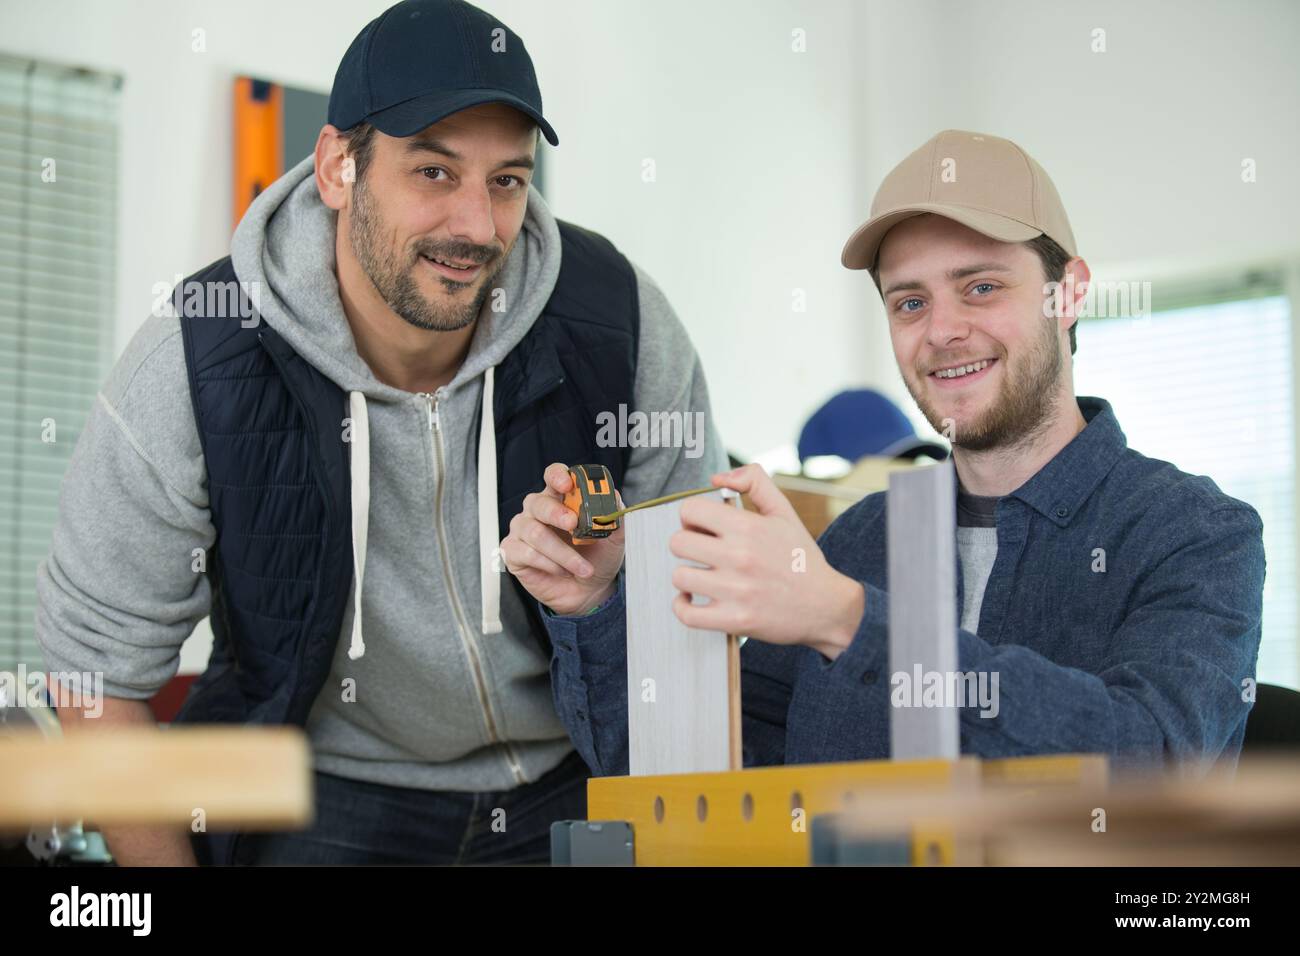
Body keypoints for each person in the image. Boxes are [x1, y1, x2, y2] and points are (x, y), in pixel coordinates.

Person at [36, 0, 725, 865]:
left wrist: (615, 587)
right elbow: (96, 679)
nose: (476, 226)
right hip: (319, 787)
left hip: (570, 775)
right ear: (336, 168)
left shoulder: (617, 321)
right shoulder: (196, 359)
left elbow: (699, 618)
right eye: (433, 173)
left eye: (506, 180)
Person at [504, 129, 1265, 777]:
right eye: (910, 302)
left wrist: (849, 621)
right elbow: (694, 773)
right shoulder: (862, 541)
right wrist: (597, 603)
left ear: (1068, 295)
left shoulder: (1195, 534)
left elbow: (1148, 768)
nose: (941, 331)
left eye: (981, 287)